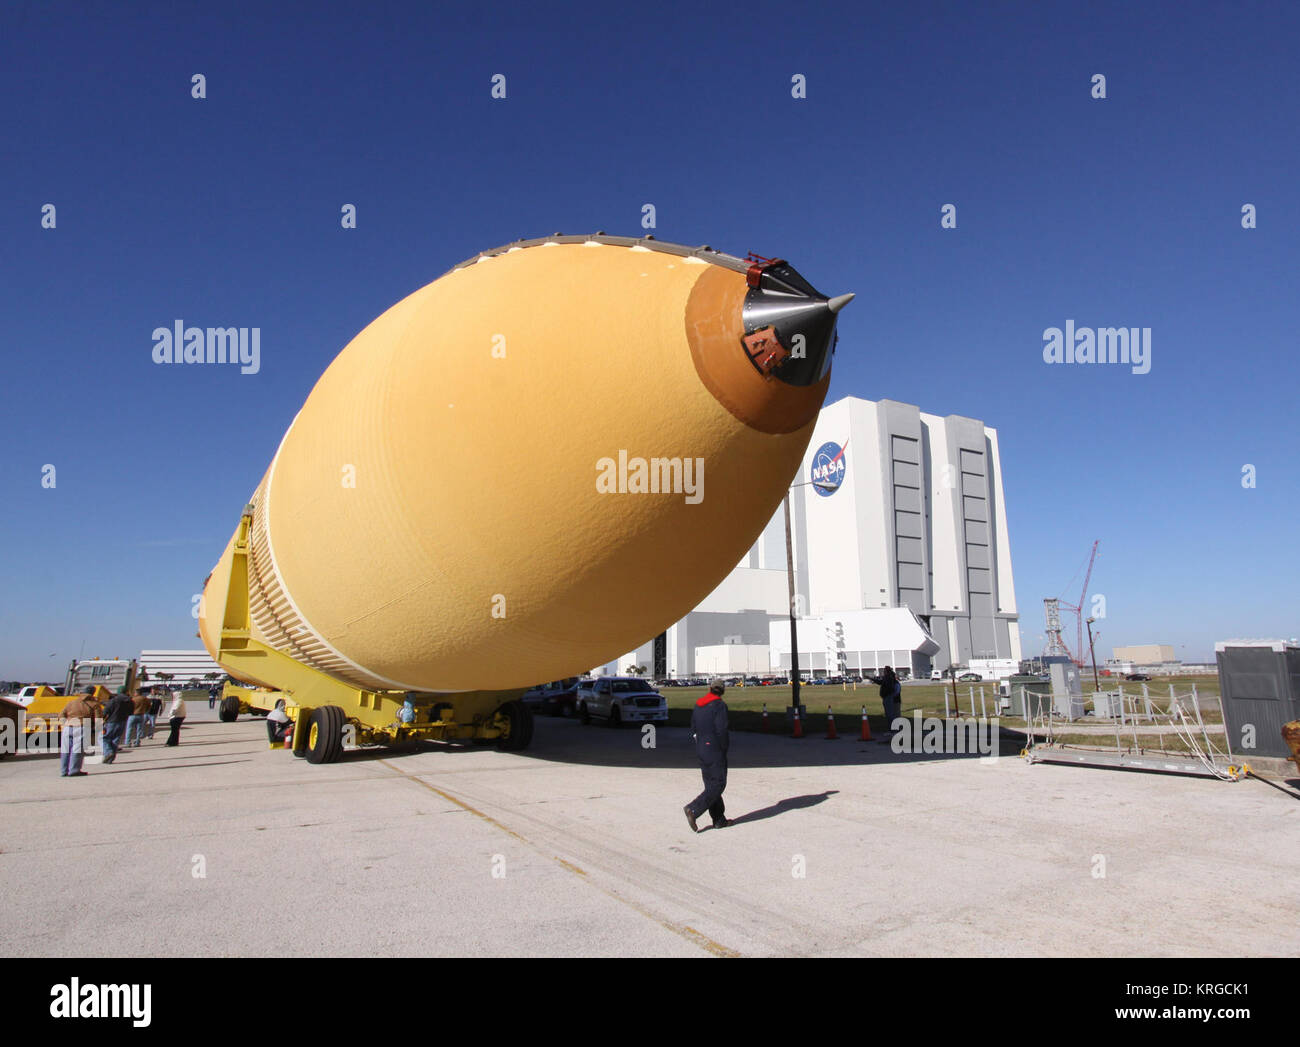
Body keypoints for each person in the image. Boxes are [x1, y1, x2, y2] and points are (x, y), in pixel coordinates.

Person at [683, 683, 731, 832]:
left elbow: (693, 727)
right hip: (714, 748)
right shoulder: (719, 706)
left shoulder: (698, 705)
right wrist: (724, 748)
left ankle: (719, 819)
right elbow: (721, 730)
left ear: (709, 689)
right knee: (719, 783)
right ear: (722, 691)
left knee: (711, 784)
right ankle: (693, 809)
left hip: (701, 747)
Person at [57, 691, 97, 776]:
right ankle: (74, 770)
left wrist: (65, 724)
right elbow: (98, 718)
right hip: (82, 727)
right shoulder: (94, 704)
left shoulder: (71, 703)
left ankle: (64, 771)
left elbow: (61, 714)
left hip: (68, 727)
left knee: (65, 750)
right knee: (77, 749)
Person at [101, 686, 134, 763]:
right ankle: (110, 759)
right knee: (115, 739)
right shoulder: (130, 701)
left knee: (104, 738)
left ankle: (108, 752)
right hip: (123, 721)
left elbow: (106, 711)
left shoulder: (114, 700)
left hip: (112, 722)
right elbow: (131, 712)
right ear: (126, 692)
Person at [870, 666, 902, 732]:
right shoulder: (889, 680)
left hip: (892, 700)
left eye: (884, 671)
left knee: (892, 715)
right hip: (889, 699)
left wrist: (889, 696)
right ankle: (893, 729)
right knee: (890, 715)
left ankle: (894, 730)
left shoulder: (891, 681)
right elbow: (880, 682)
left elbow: (895, 691)